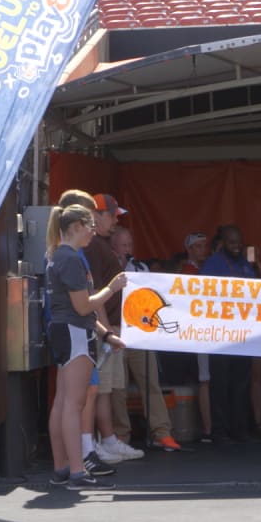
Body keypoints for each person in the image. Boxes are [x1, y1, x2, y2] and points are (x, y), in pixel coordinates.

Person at [45, 204, 125, 491]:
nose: (93, 231)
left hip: (70, 331)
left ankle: (63, 469)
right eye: (90, 225)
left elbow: (82, 310)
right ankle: (77, 472)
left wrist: (105, 336)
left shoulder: (61, 255)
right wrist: (112, 289)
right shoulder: (69, 257)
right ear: (76, 226)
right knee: (73, 404)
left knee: (64, 401)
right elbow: (83, 306)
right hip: (73, 332)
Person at [80, 193, 146, 466]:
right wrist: (105, 331)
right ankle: (95, 444)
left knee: (107, 388)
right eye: (112, 216)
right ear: (97, 215)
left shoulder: (100, 244)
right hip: (105, 327)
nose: (115, 222)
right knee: (97, 389)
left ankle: (107, 440)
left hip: (114, 325)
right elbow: (92, 289)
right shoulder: (92, 245)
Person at [110, 226, 181, 452]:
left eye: (130, 245)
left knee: (150, 382)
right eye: (124, 245)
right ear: (113, 246)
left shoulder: (140, 267)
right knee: (117, 388)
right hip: (114, 332)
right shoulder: (105, 266)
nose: (128, 249)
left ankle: (162, 433)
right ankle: (121, 435)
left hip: (139, 333)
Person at [200, 224, 261, 442]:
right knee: (220, 384)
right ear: (222, 243)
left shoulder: (245, 263)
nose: (237, 247)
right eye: (232, 243)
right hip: (220, 333)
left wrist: (256, 262)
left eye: (239, 243)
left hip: (243, 333)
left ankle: (240, 429)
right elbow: (201, 292)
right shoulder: (213, 264)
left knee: (241, 383)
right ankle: (220, 431)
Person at [179, 231, 213, 441]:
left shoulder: (203, 268)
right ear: (190, 249)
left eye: (205, 246)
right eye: (199, 246)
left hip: (211, 330)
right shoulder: (189, 271)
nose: (203, 250)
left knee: (207, 379)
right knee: (205, 380)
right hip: (200, 331)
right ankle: (208, 428)